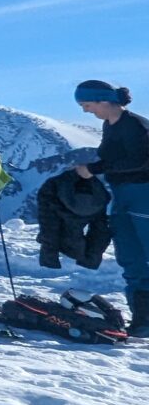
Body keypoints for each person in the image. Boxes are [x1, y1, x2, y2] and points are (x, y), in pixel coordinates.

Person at [73, 80, 149, 337]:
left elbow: (137, 162)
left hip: (143, 195)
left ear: (103, 100)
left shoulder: (136, 126)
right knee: (131, 258)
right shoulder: (110, 125)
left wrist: (93, 169)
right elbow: (113, 158)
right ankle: (142, 322)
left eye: (87, 104)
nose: (86, 111)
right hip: (122, 196)